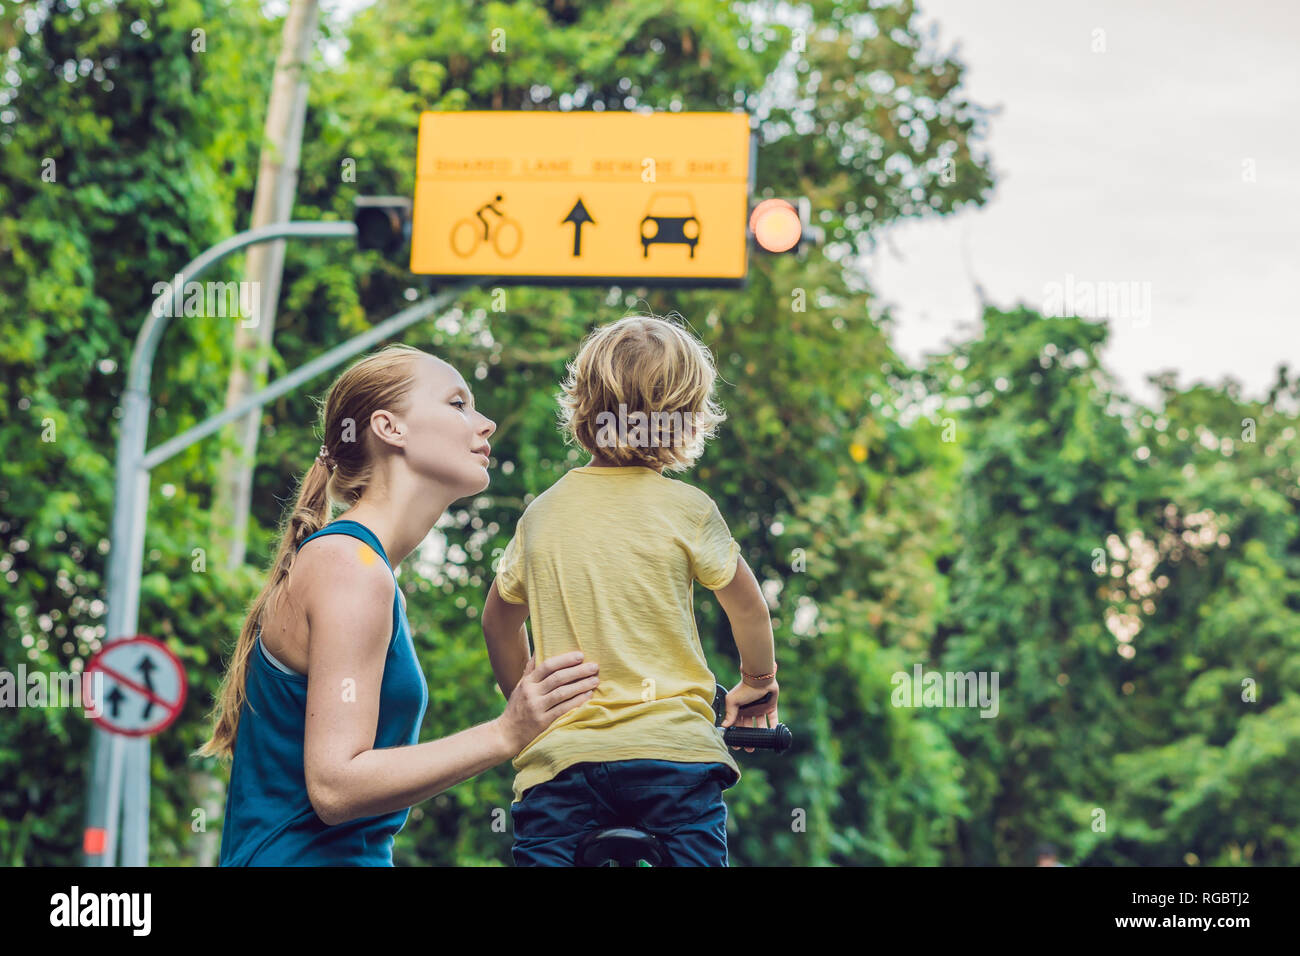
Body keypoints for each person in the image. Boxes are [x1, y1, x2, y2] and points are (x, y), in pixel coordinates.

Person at [198, 343, 600, 866]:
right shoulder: (350, 566)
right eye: (458, 404)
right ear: (391, 428)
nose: (487, 424)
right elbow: (336, 786)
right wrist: (506, 732)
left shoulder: (363, 569)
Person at [481, 314, 780, 866]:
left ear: (583, 407)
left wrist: (525, 709)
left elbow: (499, 621)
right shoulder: (689, 510)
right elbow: (749, 609)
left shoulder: (542, 514)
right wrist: (757, 682)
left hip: (563, 764)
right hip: (675, 760)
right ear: (686, 421)